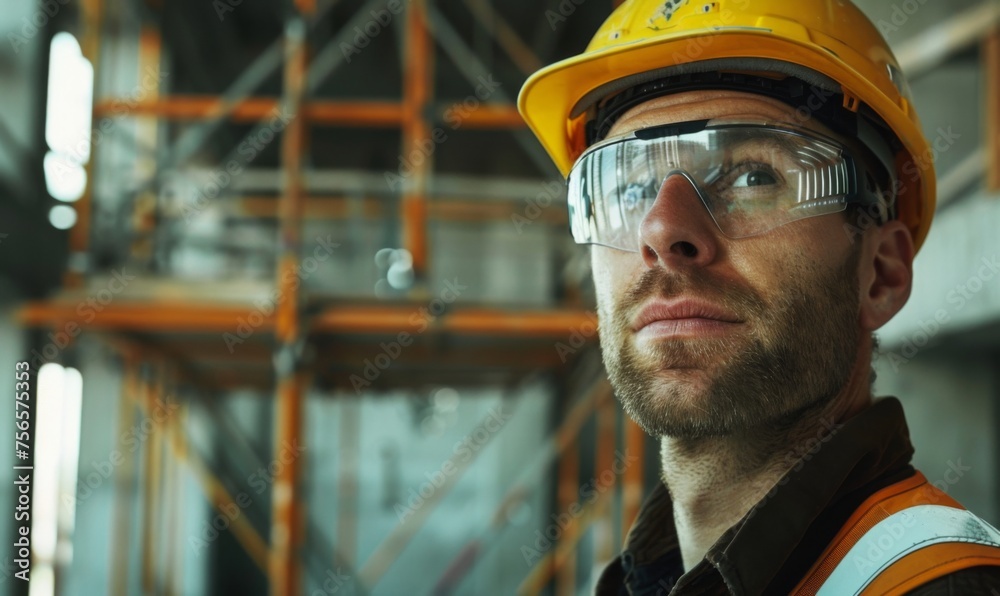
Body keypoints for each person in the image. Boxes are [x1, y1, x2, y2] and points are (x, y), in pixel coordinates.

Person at [517, 0, 1000, 594]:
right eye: (633, 187)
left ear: (881, 274)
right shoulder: (645, 581)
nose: (662, 232)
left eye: (753, 176)